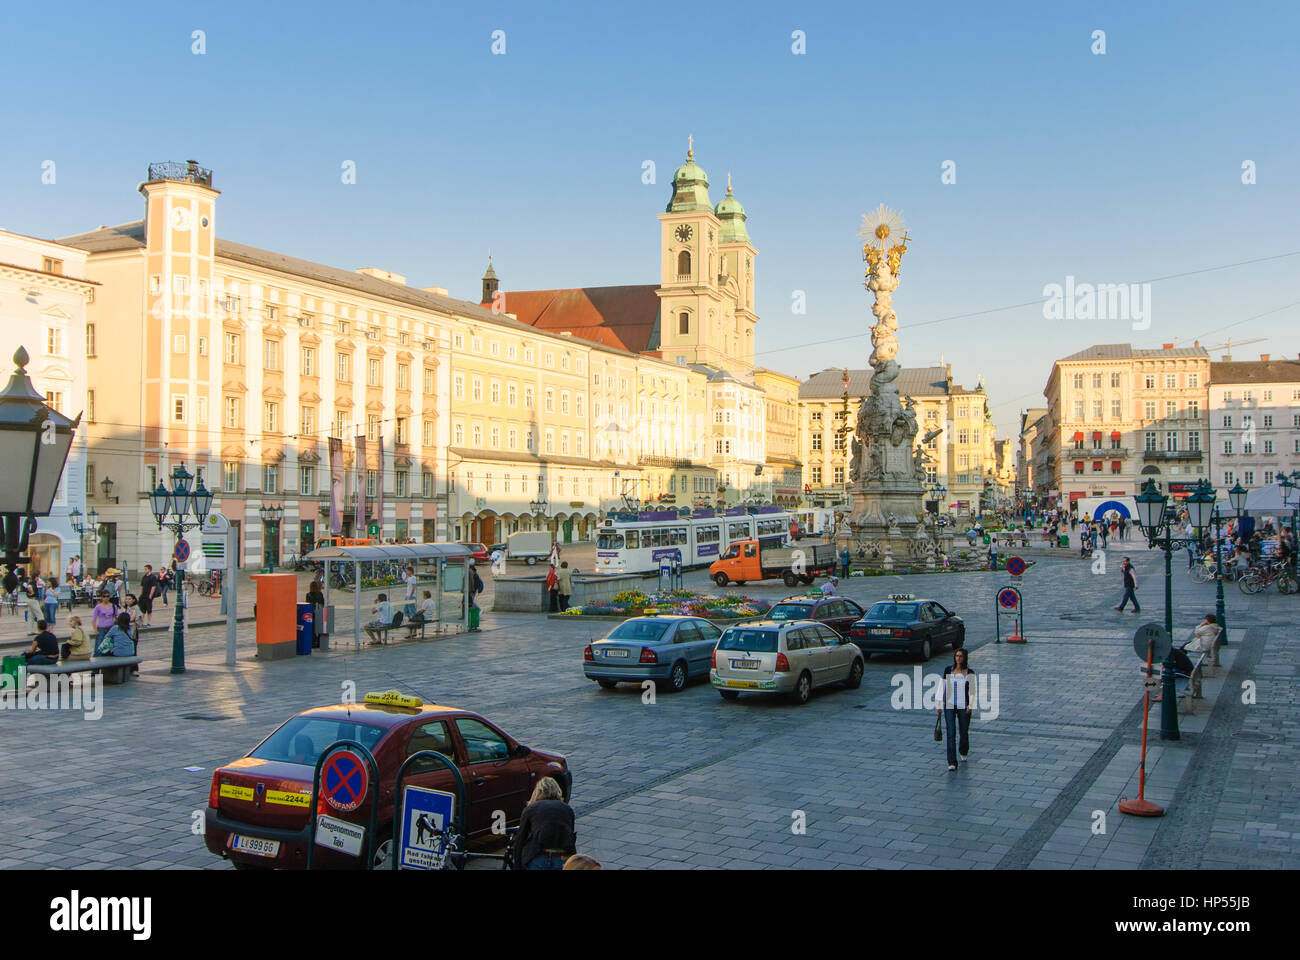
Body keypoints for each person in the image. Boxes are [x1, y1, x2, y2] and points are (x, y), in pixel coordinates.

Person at [511, 777, 576, 870]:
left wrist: (517, 865)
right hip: (561, 857)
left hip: (538, 857)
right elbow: (571, 837)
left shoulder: (531, 809)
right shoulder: (567, 809)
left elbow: (520, 839)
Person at [937, 647, 975, 771]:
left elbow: (973, 691)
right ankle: (951, 762)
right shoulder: (948, 670)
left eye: (960, 656)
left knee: (963, 732)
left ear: (964, 658)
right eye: (956, 656)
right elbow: (941, 687)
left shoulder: (969, 672)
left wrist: (971, 705)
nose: (958, 658)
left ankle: (963, 751)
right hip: (949, 705)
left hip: (963, 705)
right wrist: (938, 705)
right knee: (951, 733)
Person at [305, 579, 326, 648]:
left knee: (312, 629)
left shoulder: (308, 595)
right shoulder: (320, 594)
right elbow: (323, 603)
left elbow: (307, 604)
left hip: (312, 614)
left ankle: (313, 642)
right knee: (320, 628)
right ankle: (319, 642)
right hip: (320, 613)